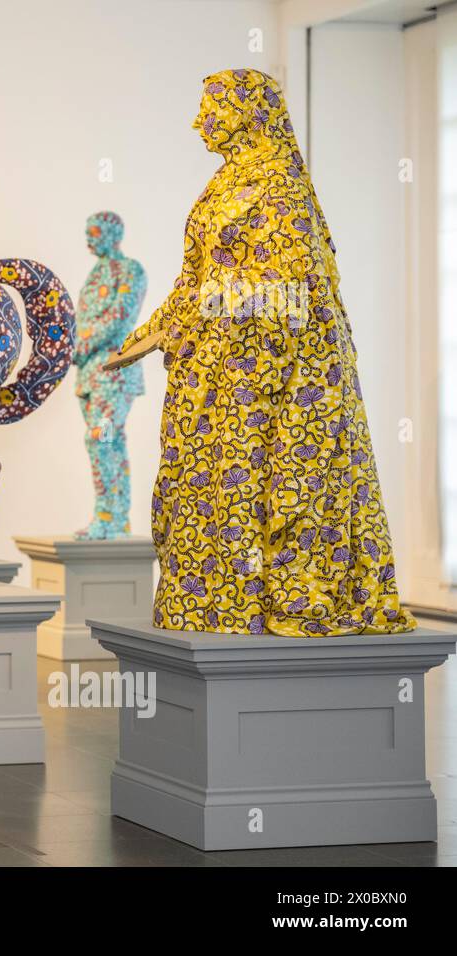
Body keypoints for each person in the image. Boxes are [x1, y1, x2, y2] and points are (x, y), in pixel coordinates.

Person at [114, 69, 414, 636]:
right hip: (218, 370)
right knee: (202, 481)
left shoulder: (280, 185)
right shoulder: (225, 183)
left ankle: (266, 599)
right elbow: (197, 278)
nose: (198, 121)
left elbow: (290, 286)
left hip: (276, 377)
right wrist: (148, 333)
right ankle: (210, 603)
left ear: (248, 112)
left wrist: (201, 314)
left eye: (211, 108)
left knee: (258, 483)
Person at [72, 211, 145, 540]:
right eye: (87, 231)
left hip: (115, 370)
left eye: (95, 231)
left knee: (100, 439)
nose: (89, 237)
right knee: (109, 441)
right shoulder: (94, 274)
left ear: (114, 232)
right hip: (89, 375)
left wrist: (82, 343)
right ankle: (117, 517)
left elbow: (120, 316)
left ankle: (108, 516)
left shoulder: (129, 269)